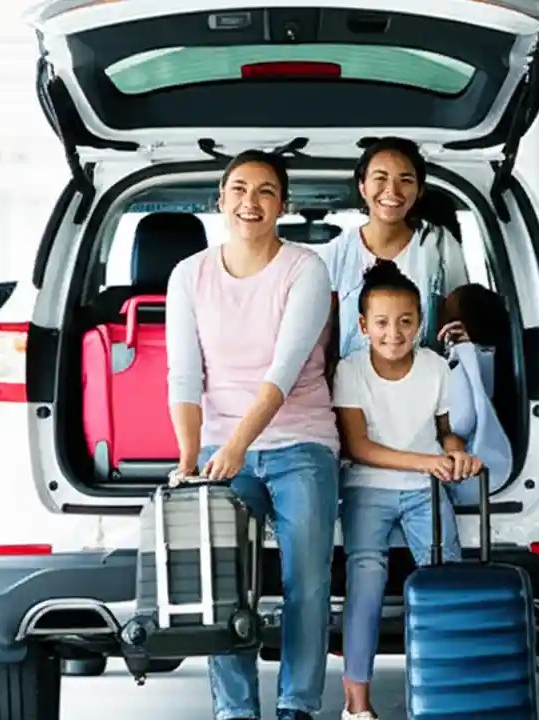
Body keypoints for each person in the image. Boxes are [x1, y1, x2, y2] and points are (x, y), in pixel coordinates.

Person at [164, 149, 340, 720]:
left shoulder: (305, 268)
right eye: (239, 188)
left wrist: (237, 447)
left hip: (301, 443)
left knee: (305, 581)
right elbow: (185, 374)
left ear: (283, 205)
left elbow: (283, 373)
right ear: (221, 199)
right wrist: (190, 458)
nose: (251, 201)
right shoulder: (189, 274)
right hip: (220, 447)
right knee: (225, 586)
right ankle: (236, 710)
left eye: (266, 191)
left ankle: (298, 705)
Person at [331, 259, 483, 720]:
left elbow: (447, 430)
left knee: (444, 581)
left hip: (425, 489)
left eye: (405, 322)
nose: (393, 333)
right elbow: (358, 447)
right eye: (381, 323)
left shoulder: (437, 368)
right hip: (368, 490)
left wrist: (455, 453)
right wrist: (429, 461)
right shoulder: (350, 371)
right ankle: (357, 706)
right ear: (362, 325)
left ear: (420, 322)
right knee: (366, 588)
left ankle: (449, 689)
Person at [318, 136, 472, 360]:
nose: (392, 190)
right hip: (353, 387)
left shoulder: (437, 245)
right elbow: (323, 337)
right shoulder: (337, 253)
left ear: (419, 189)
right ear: (362, 186)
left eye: (405, 180)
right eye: (380, 178)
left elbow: (459, 322)